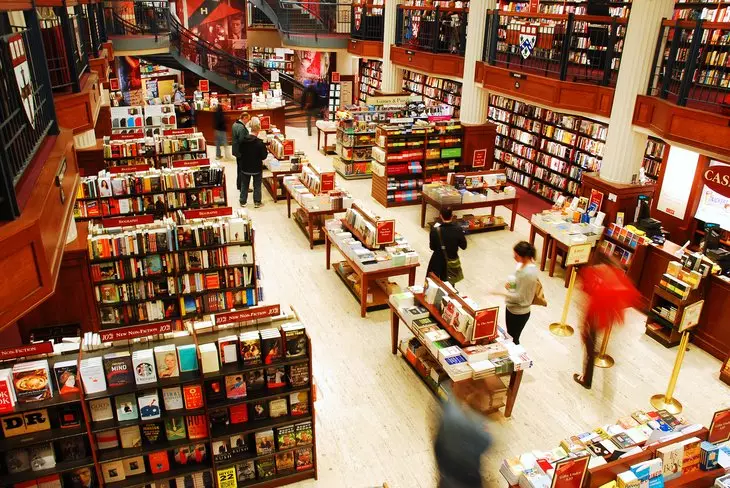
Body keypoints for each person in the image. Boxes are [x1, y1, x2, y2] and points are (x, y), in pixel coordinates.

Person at [434, 384, 491, 488]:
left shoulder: (451, 413)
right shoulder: (478, 431)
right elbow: (486, 442)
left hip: (446, 476)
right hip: (465, 481)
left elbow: (437, 446)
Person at [493, 241, 538, 345]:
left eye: (516, 255)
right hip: (511, 308)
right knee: (510, 336)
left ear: (524, 256)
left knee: (513, 339)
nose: (514, 257)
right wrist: (510, 286)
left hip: (519, 312)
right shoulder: (522, 265)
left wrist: (501, 293)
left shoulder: (529, 273)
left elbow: (520, 297)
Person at [427, 207, 466, 284]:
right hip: (452, 260)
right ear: (452, 216)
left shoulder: (435, 230)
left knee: (432, 283)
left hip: (437, 260)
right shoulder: (458, 229)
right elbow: (463, 246)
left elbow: (432, 247)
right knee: (449, 286)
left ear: (440, 216)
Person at [236, 117, 268, 208]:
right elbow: (264, 156)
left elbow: (240, 152)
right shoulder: (260, 143)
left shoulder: (243, 141)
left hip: (245, 167)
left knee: (244, 185)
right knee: (257, 185)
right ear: (257, 131)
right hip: (256, 168)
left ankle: (243, 201)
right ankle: (257, 202)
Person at [231, 111, 250, 190]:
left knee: (239, 169)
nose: (248, 121)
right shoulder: (242, 128)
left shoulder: (235, 124)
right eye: (248, 119)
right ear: (244, 118)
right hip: (242, 152)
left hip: (236, 151)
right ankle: (243, 187)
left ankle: (239, 185)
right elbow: (242, 141)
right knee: (243, 170)